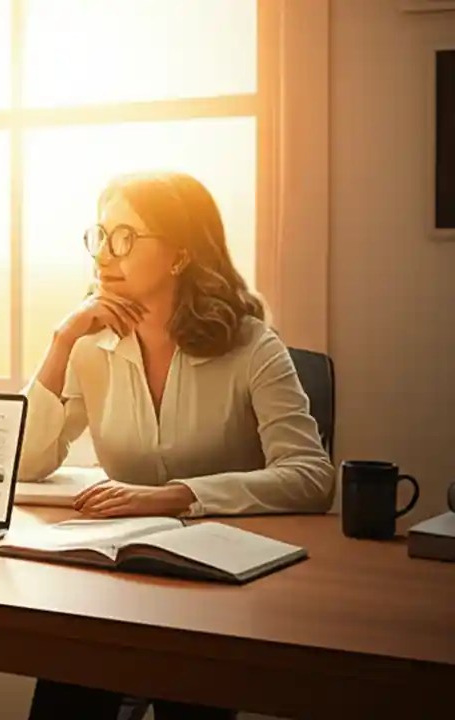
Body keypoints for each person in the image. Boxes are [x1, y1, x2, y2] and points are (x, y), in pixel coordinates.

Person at [20, 171, 335, 720]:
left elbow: (311, 476)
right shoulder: (92, 346)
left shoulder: (252, 345)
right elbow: (25, 463)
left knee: (188, 692)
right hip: (120, 576)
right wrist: (61, 340)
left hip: (225, 585)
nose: (104, 255)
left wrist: (174, 495)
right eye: (100, 235)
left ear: (179, 255)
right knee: (68, 683)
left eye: (125, 237)